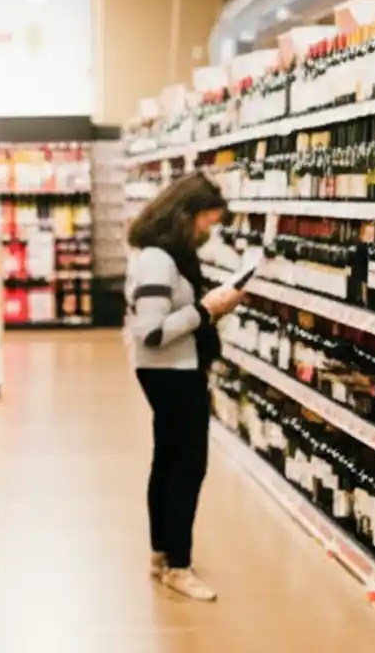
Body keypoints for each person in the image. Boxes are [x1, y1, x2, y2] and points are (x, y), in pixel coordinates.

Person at [125, 173, 244, 602]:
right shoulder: (157, 260)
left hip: (172, 369)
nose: (207, 231)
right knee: (186, 468)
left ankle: (162, 555)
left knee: (168, 462)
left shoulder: (163, 255)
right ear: (184, 215)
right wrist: (207, 309)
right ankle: (179, 566)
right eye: (205, 221)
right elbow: (152, 331)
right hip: (171, 371)